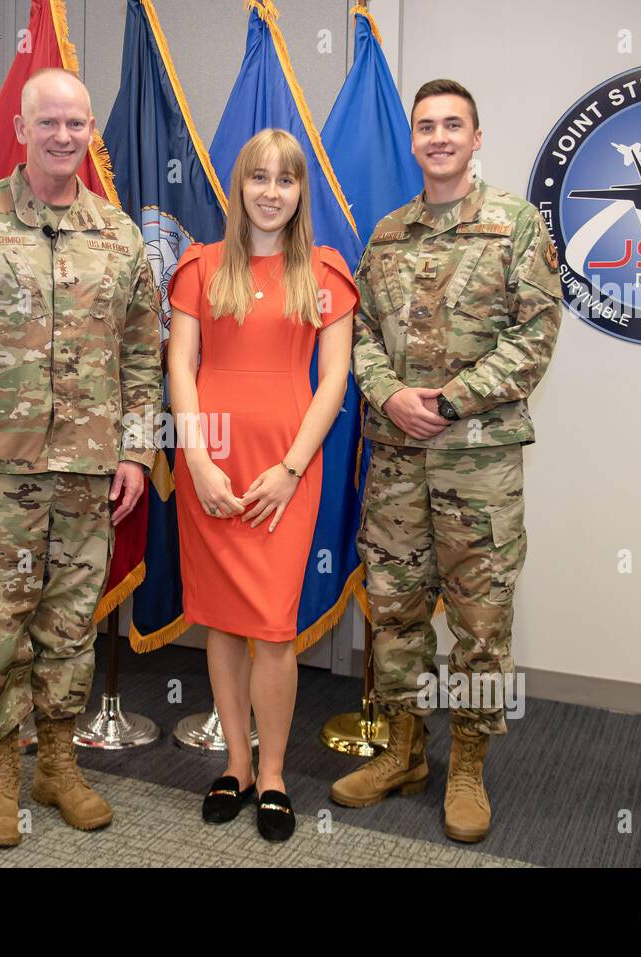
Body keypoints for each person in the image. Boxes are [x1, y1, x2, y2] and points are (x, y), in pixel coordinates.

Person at [0, 68, 162, 848]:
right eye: (48, 123)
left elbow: (143, 352)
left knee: (71, 630)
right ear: (21, 128)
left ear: (89, 133)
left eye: (75, 124)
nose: (62, 136)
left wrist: (139, 452)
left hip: (86, 475)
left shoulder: (118, 237)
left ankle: (60, 764)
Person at [331, 79, 562, 842]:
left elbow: (536, 334)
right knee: (394, 611)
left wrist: (454, 398)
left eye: (451, 125)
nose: (437, 137)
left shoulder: (515, 225)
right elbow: (355, 333)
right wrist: (389, 393)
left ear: (476, 136)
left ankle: (467, 762)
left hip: (477, 463)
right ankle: (403, 748)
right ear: (414, 139)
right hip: (397, 460)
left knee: (479, 621)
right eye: (425, 125)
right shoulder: (388, 233)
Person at [167, 129, 356, 843]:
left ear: (302, 192)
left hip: (285, 466)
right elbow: (181, 365)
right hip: (210, 464)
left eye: (286, 179)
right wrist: (196, 460)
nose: (271, 192)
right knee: (220, 619)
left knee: (274, 627)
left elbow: (334, 380)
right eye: (258, 178)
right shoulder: (200, 266)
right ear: (237, 187)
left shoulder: (325, 273)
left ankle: (273, 773)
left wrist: (290, 468)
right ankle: (235, 763)